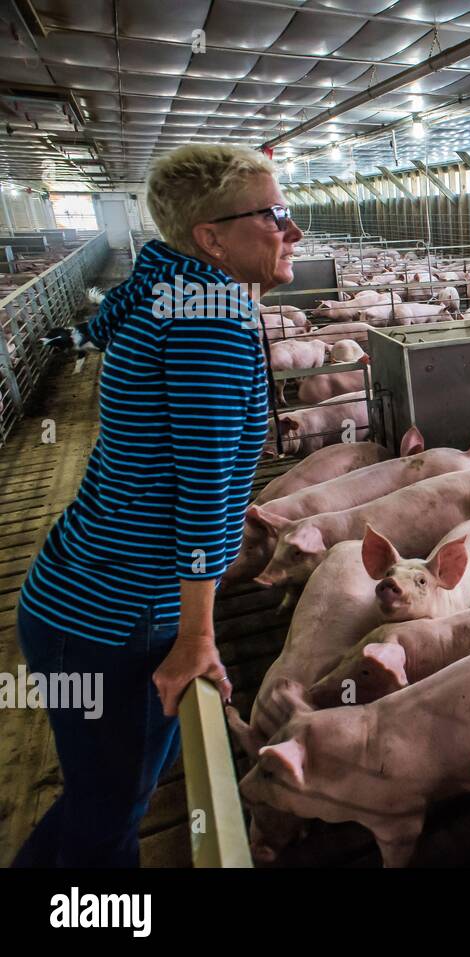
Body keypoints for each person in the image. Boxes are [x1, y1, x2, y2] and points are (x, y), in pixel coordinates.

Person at [12, 144, 302, 867]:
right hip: (119, 617)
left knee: (99, 805)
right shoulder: (212, 324)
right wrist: (198, 634)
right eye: (275, 215)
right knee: (109, 823)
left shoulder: (162, 278)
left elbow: (105, 323)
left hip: (74, 596)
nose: (291, 230)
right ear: (212, 237)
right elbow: (205, 492)